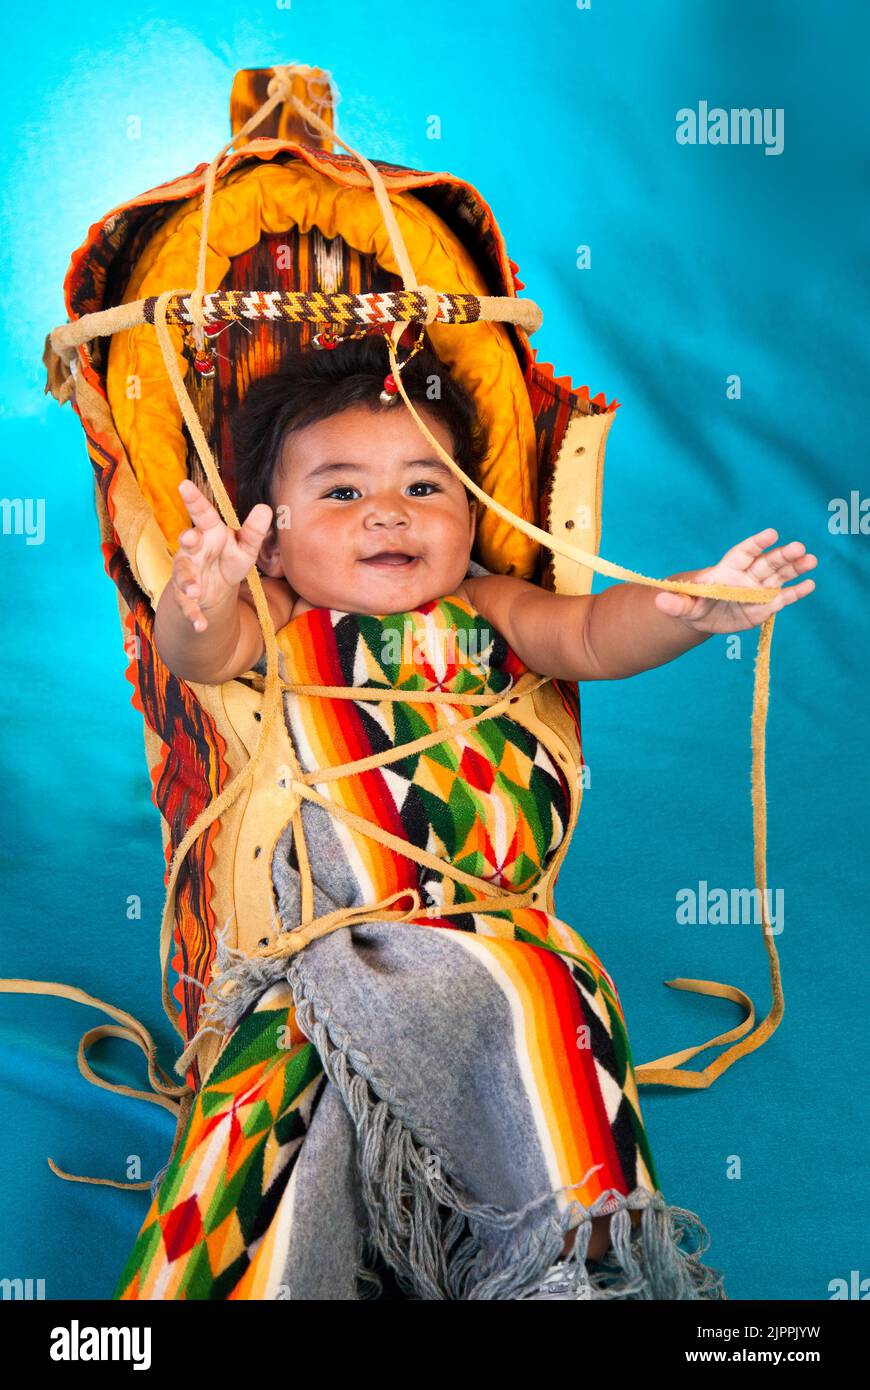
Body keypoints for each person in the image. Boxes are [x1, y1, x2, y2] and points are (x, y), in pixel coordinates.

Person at [143, 332, 816, 1299]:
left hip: (496, 927)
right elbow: (199, 657)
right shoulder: (280, 615)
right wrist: (197, 598)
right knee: (274, 1113)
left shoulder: (489, 604)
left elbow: (587, 635)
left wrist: (682, 609)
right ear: (275, 534)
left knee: (549, 1003)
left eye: (427, 486)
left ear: (471, 514)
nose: (387, 512)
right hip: (339, 945)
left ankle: (566, 1262)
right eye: (341, 492)